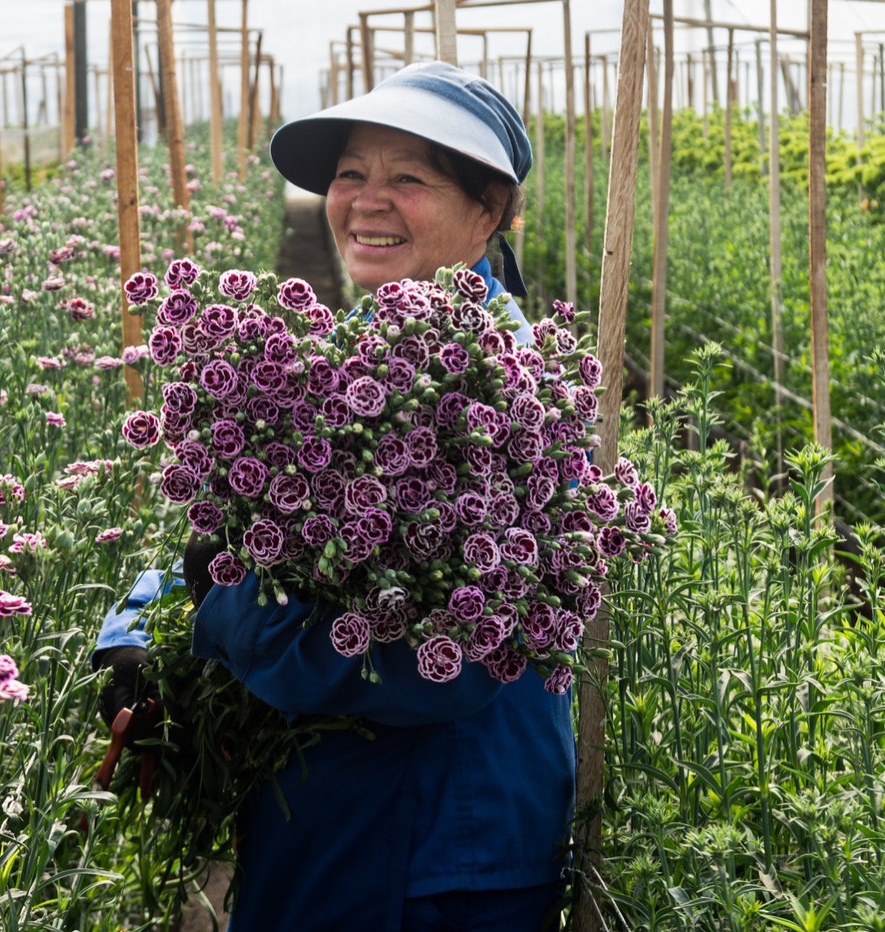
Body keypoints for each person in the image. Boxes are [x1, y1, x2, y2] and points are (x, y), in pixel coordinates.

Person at [94, 61, 568, 932]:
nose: (366, 201)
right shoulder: (352, 346)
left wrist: (225, 612)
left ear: (490, 208)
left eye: (408, 178)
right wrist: (133, 634)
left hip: (438, 857)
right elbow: (229, 527)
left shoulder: (513, 393)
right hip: (318, 831)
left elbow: (449, 664)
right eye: (351, 174)